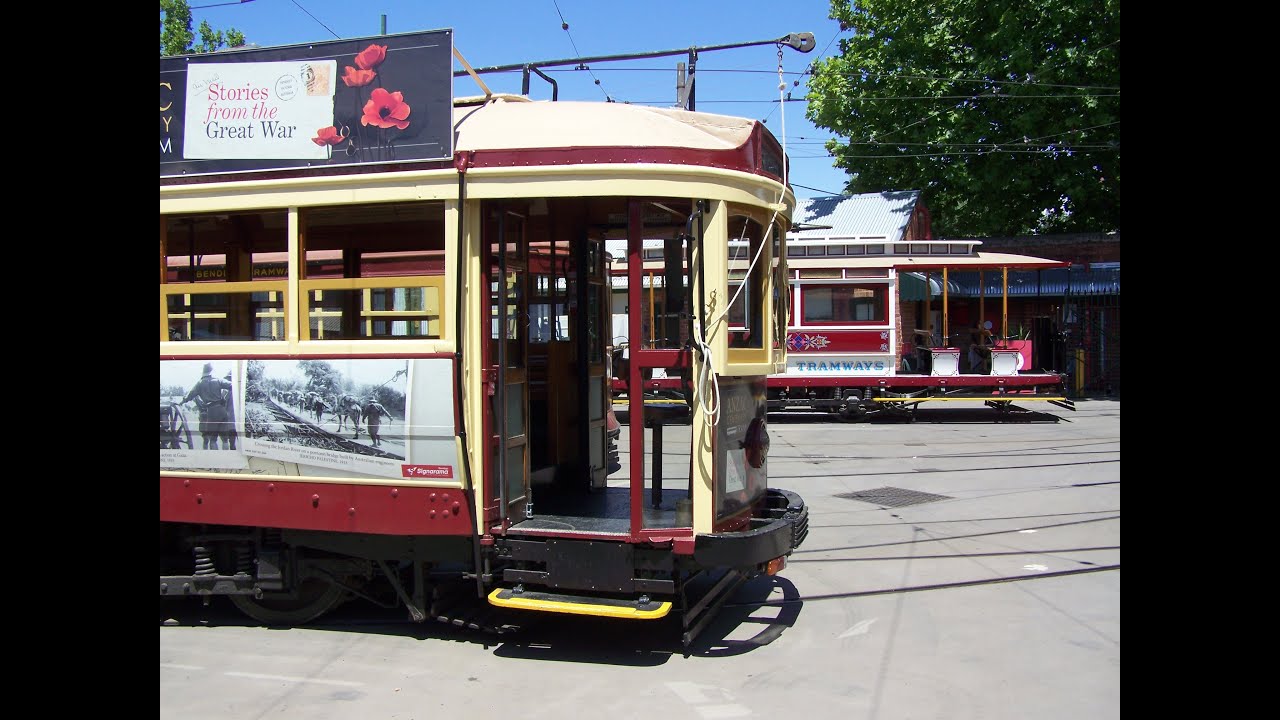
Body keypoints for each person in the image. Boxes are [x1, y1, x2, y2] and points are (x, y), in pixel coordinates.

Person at [183, 363, 235, 450]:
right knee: (225, 439)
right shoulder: (218, 380)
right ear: (211, 371)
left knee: (213, 439)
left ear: (204, 372)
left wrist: (182, 401)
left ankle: (214, 459)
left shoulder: (199, 384)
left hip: (211, 411)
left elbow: (189, 396)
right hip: (222, 410)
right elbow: (231, 385)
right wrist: (224, 398)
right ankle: (226, 458)